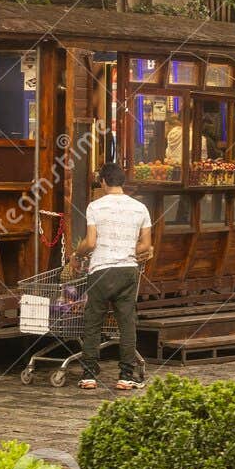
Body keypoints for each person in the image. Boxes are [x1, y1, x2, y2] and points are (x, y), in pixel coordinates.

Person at [73, 163, 153, 390]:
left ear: (103, 182)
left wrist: (76, 255)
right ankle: (126, 375)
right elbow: (146, 245)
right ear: (123, 182)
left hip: (101, 271)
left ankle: (88, 375)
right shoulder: (140, 208)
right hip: (128, 270)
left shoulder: (95, 207)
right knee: (127, 323)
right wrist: (126, 248)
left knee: (93, 322)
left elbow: (90, 243)